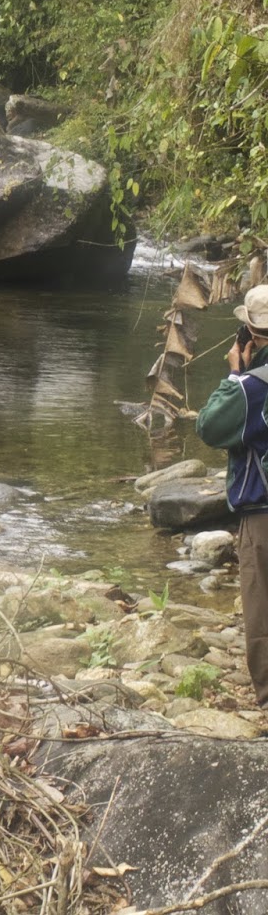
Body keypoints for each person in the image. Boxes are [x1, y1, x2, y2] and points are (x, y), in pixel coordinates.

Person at [198, 284, 268, 707]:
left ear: (251, 336)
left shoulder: (250, 387)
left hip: (263, 513)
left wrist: (234, 374)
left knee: (261, 604)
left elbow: (209, 427)